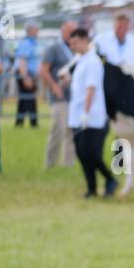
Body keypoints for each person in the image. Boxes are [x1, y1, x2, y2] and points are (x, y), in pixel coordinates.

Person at [67, 27, 116, 198]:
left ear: (83, 40)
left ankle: (110, 179)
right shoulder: (80, 60)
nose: (72, 46)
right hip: (77, 115)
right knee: (82, 154)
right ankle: (92, 188)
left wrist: (86, 112)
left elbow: (91, 88)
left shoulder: (93, 61)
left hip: (92, 116)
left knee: (90, 153)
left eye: (74, 43)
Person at [39, 20, 78, 169]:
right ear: (63, 32)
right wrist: (54, 86)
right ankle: (51, 162)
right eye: (70, 32)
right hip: (59, 96)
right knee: (61, 129)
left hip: (74, 96)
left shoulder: (76, 49)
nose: (72, 35)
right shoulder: (54, 49)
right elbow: (43, 69)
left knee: (66, 130)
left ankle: (67, 162)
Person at [14, 19, 40, 127]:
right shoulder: (26, 43)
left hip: (29, 74)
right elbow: (22, 60)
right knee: (29, 99)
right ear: (31, 30)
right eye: (36, 29)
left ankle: (20, 122)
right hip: (25, 73)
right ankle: (33, 123)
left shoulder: (32, 42)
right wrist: (25, 77)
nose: (38, 31)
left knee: (25, 99)